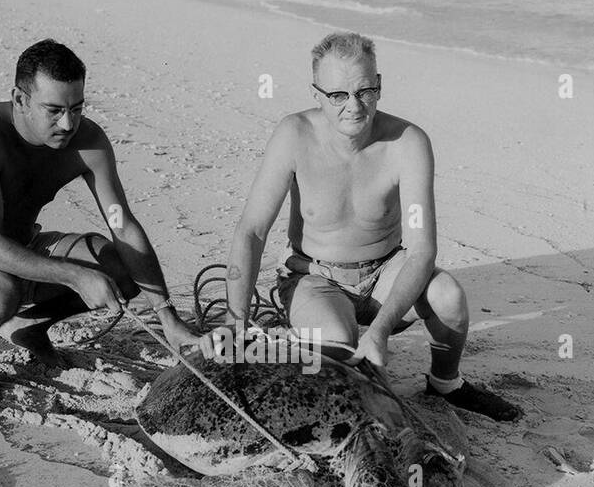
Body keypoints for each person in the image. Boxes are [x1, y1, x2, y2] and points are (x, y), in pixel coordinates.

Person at [200, 31, 521, 420]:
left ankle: (445, 384)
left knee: (449, 297)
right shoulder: (293, 135)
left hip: (386, 271)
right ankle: (323, 331)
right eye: (337, 95)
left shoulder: (408, 142)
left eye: (365, 91)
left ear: (379, 86)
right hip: (316, 277)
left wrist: (381, 330)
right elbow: (251, 230)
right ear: (316, 94)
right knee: (338, 347)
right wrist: (236, 321)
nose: (353, 106)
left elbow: (421, 250)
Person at [0, 38, 200, 395]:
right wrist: (76, 276)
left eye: (77, 108)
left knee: (118, 267)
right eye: (54, 110)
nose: (68, 123)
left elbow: (121, 223)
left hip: (24, 246)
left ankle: (28, 328)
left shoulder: (87, 141)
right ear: (20, 99)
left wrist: (167, 317)